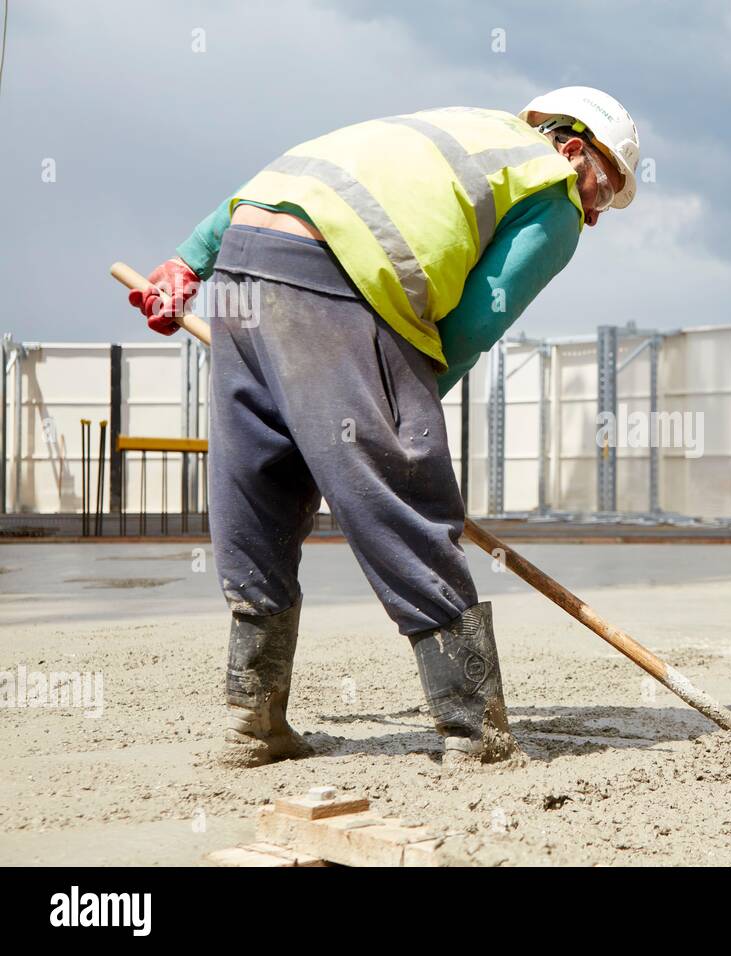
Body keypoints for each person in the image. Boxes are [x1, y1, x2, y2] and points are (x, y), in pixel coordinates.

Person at [127, 88, 639, 767]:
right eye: (604, 195)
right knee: (405, 489)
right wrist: (403, 414)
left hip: (248, 254)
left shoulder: (451, 128)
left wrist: (187, 264)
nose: (595, 216)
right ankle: (473, 732)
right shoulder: (552, 188)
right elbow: (477, 320)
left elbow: (276, 186)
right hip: (337, 274)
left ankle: (253, 725)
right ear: (574, 149)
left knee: (261, 486)